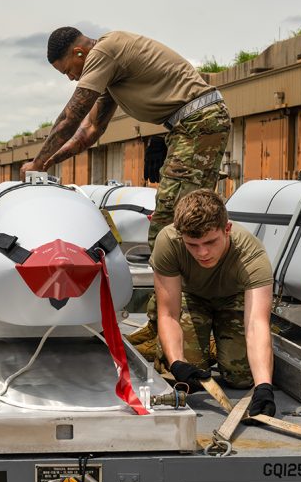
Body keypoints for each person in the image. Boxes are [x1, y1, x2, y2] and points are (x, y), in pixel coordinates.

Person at [19, 27, 232, 357]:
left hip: (199, 123)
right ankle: (162, 324)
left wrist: (38, 160)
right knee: (169, 227)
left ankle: (187, 331)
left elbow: (72, 115)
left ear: (79, 53)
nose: (71, 79)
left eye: (68, 71)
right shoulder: (111, 76)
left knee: (175, 227)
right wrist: (48, 163)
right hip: (187, 127)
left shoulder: (106, 51)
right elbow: (90, 131)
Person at [151, 189, 276, 418]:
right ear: (181, 236)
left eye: (210, 242)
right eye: (193, 245)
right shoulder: (168, 242)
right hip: (190, 298)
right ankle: (202, 343)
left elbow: (257, 323)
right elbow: (168, 314)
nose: (203, 252)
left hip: (233, 300)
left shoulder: (252, 254)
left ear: (227, 229)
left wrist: (264, 387)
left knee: (242, 378)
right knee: (189, 377)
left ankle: (217, 338)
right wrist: (177, 363)